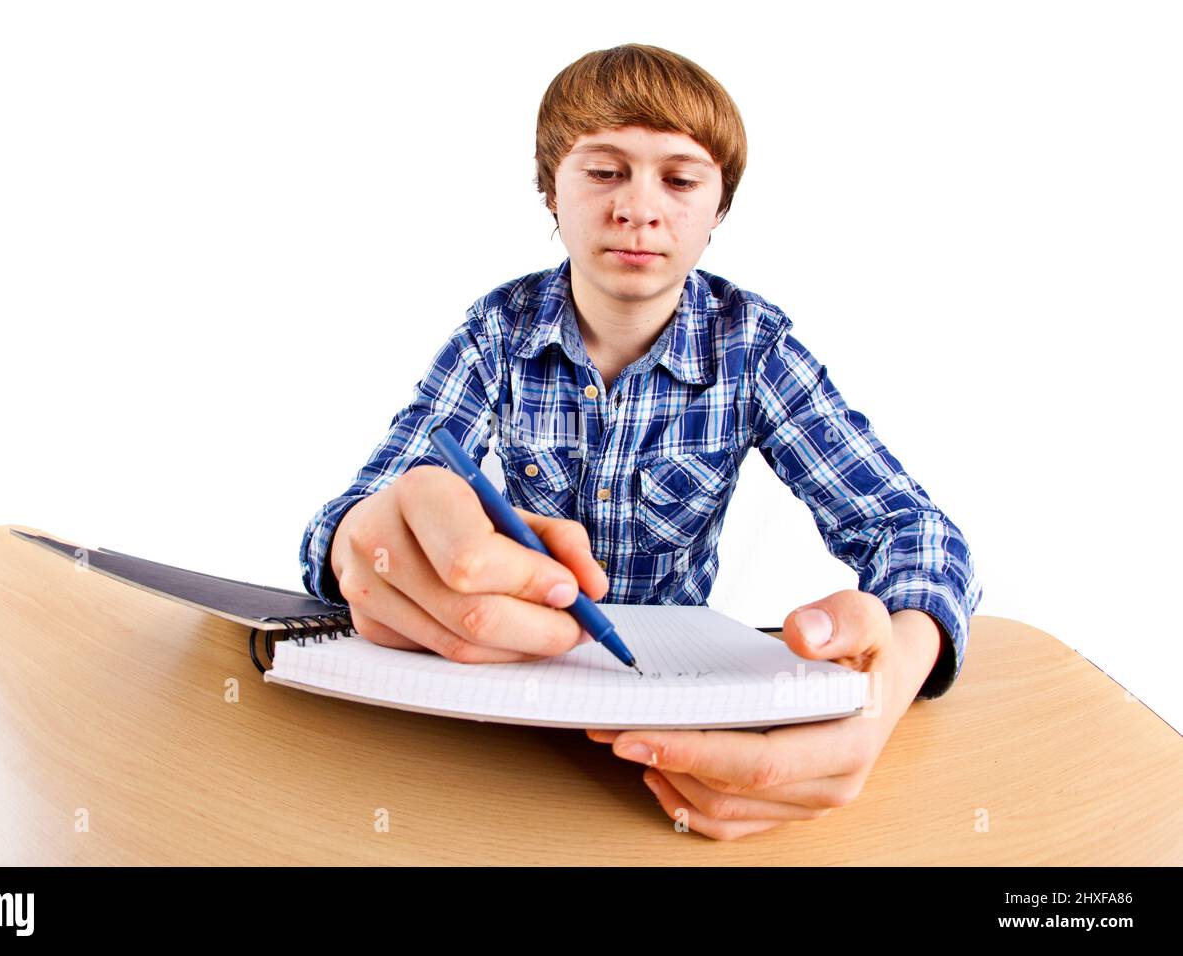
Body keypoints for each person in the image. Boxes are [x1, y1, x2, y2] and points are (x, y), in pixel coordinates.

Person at [299, 43, 983, 840]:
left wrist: (893, 676)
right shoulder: (496, 331)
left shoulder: (752, 347)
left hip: (677, 740)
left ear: (719, 208)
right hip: (512, 723)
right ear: (549, 188)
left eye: (681, 179)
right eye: (603, 171)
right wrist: (359, 546)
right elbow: (363, 504)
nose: (638, 209)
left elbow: (917, 532)